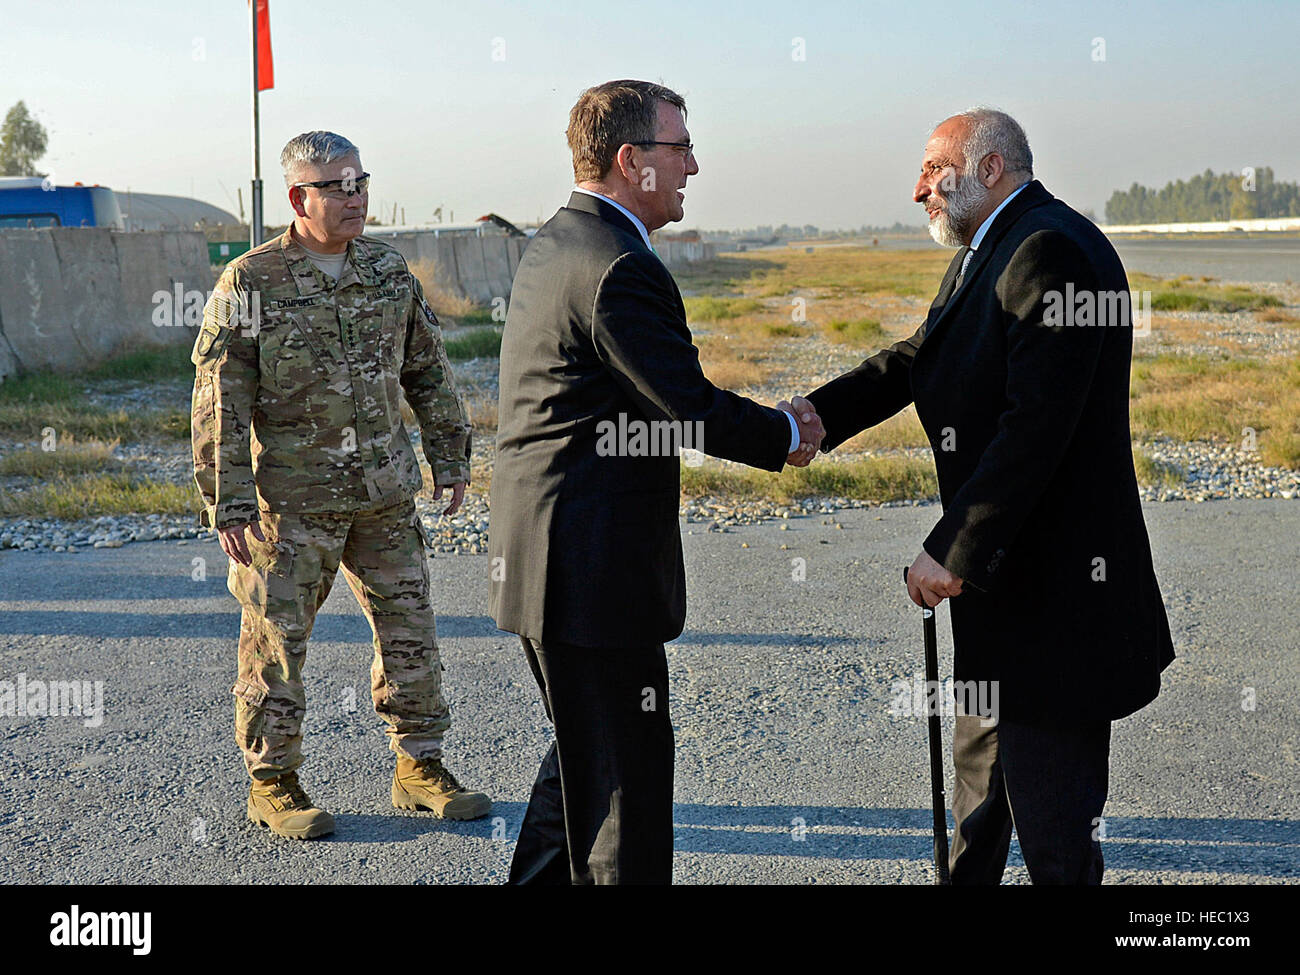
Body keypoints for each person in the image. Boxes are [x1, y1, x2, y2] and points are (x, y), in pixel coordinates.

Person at [801, 108, 1175, 884]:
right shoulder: (992, 246)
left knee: (1056, 838)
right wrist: (816, 416)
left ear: (990, 168)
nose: (918, 189)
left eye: (933, 169)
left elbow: (1035, 431)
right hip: (999, 607)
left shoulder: (1048, 251)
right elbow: (920, 355)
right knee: (977, 816)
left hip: (1053, 612)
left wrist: (951, 547)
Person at [489, 80, 825, 884]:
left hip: (551, 563)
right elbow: (688, 405)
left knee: (582, 762)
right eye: (680, 148)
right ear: (631, 159)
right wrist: (784, 432)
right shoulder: (617, 265)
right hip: (592, 576)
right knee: (623, 804)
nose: (694, 165)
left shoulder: (560, 239)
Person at [190, 130, 489, 841]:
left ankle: (420, 764)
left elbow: (426, 367)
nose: (355, 197)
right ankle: (274, 780)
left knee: (411, 629)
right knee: (277, 639)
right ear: (299, 197)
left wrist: (451, 453)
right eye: (337, 186)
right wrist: (226, 498)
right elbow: (220, 397)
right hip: (293, 502)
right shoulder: (251, 282)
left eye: (359, 182)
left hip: (383, 489)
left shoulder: (387, 271)